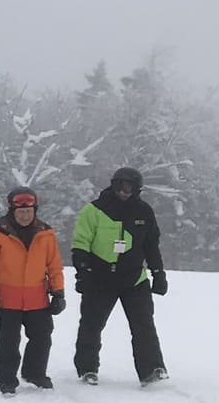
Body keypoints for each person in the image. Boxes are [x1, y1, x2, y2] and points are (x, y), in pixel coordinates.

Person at [71, 165, 169, 385]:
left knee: (144, 325)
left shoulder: (144, 212)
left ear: (137, 190)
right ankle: (87, 368)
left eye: (129, 187)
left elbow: (151, 246)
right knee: (91, 325)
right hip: (100, 278)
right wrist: (83, 272)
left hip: (134, 278)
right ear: (113, 185)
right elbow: (80, 244)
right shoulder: (93, 210)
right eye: (120, 186)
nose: (124, 191)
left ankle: (152, 368)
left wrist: (158, 273)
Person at [0, 186, 66, 395]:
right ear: (12, 211)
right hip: (7, 299)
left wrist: (58, 292)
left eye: (29, 211)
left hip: (38, 298)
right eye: (21, 211)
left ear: (35, 210)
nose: (25, 215)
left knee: (42, 337)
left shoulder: (46, 233)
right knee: (9, 342)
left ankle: (35, 373)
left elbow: (54, 265)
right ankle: (7, 379)